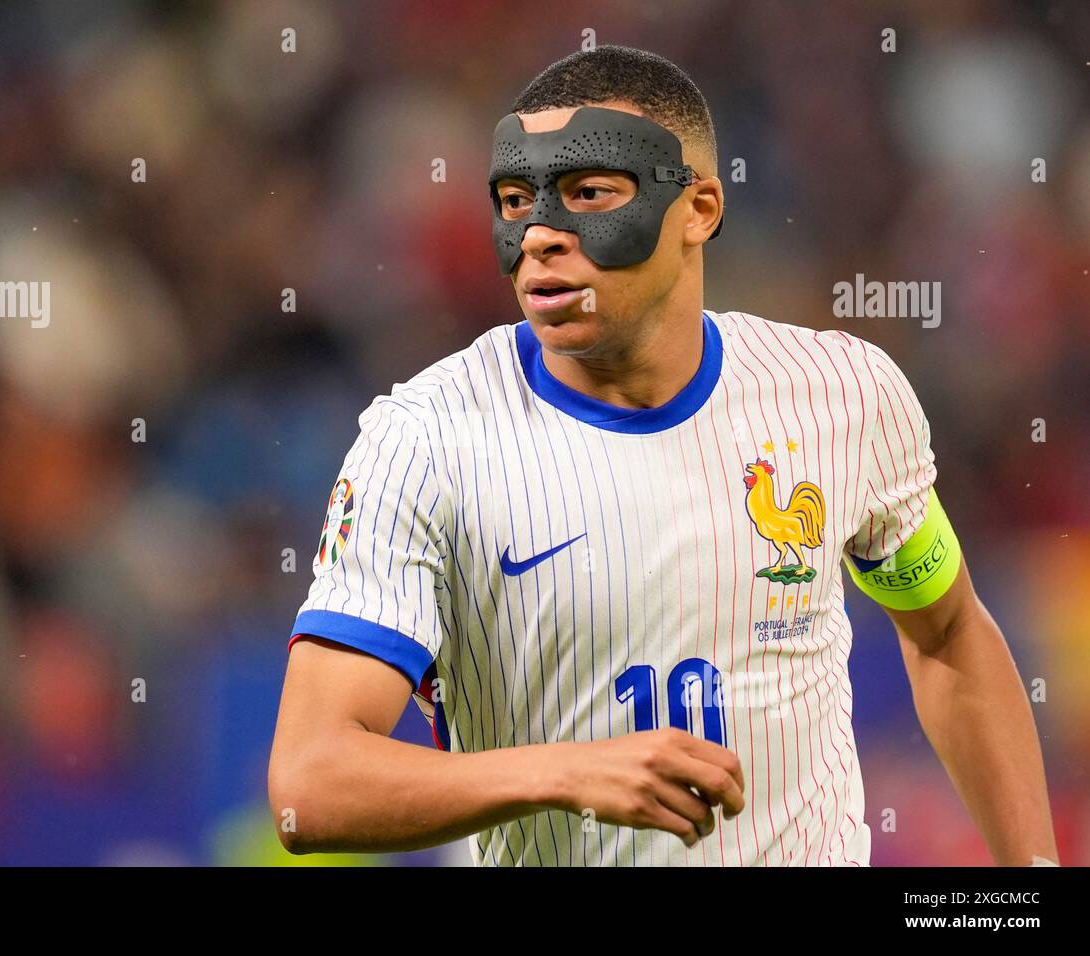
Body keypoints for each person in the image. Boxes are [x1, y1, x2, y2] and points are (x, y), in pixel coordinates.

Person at [268, 45, 1058, 866]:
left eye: (588, 194)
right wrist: (563, 773)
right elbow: (308, 786)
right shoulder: (425, 440)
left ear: (700, 208)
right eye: (514, 201)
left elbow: (946, 631)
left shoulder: (845, 393)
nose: (540, 234)